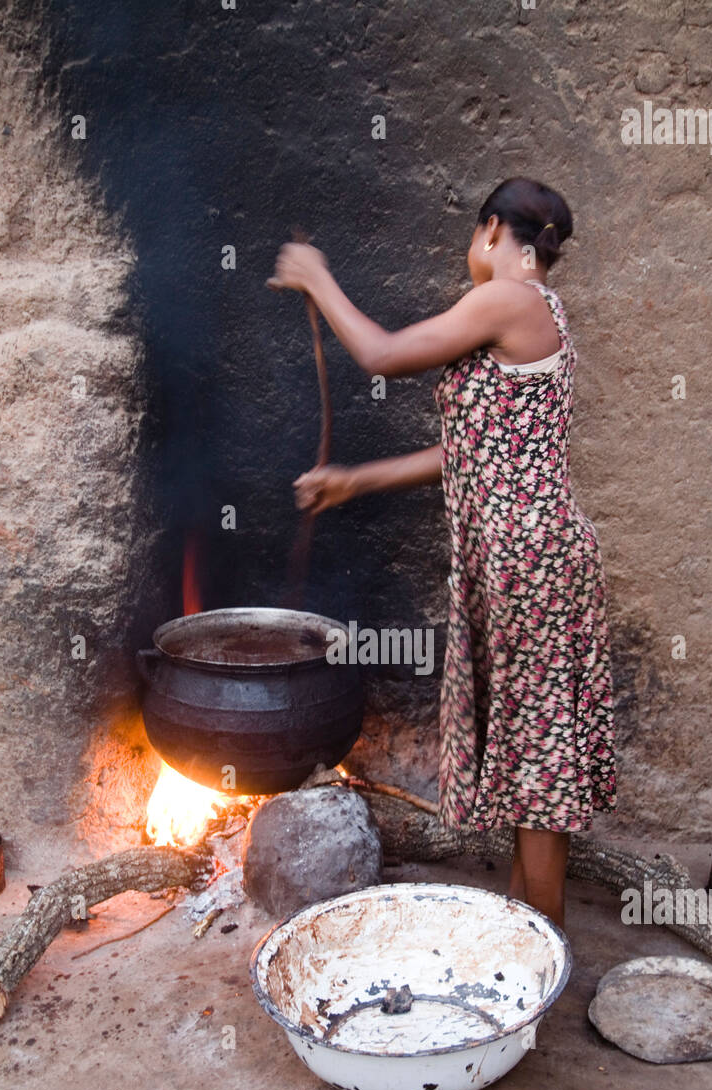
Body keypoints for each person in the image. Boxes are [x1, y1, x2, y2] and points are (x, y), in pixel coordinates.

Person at [268, 177, 616, 930]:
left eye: (473, 237)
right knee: (534, 756)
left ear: (493, 230)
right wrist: (355, 481)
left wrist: (316, 276)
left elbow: (383, 355)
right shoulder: (532, 312)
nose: (471, 252)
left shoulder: (510, 296)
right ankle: (528, 928)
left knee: (540, 763)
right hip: (527, 557)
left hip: (527, 559)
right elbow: (468, 450)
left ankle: (539, 952)